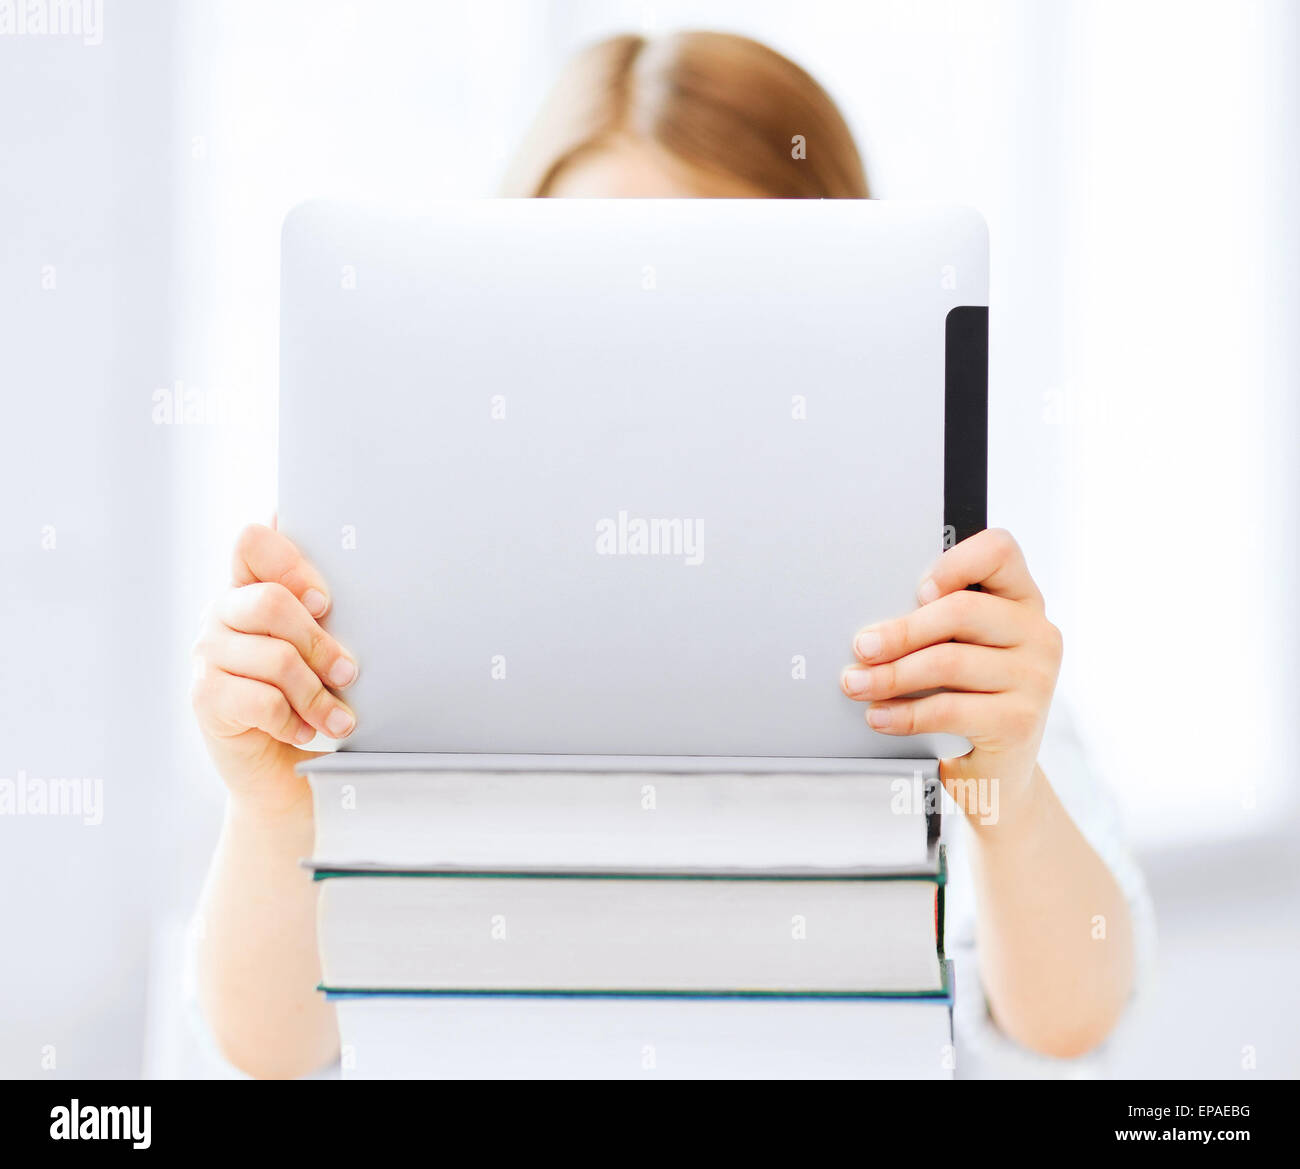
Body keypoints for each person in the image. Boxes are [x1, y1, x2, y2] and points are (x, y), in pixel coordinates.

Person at [190, 30, 1148, 1079]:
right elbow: (271, 1054)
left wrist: (997, 778)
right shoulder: (394, 640)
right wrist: (271, 802)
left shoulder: (955, 653)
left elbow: (1069, 1019)